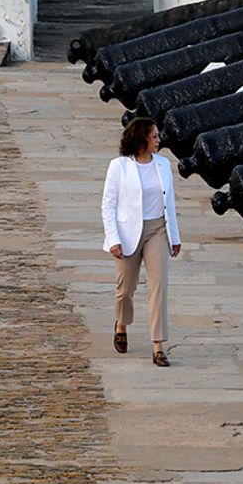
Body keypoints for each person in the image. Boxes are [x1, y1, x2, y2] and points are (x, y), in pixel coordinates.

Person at [101, 117, 182, 366]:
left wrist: (175, 236)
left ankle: (158, 345)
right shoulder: (119, 166)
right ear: (141, 139)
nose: (158, 140)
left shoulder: (163, 164)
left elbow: (170, 203)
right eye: (154, 136)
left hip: (157, 229)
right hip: (128, 233)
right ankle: (121, 324)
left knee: (158, 287)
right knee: (125, 289)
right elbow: (108, 204)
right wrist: (113, 238)